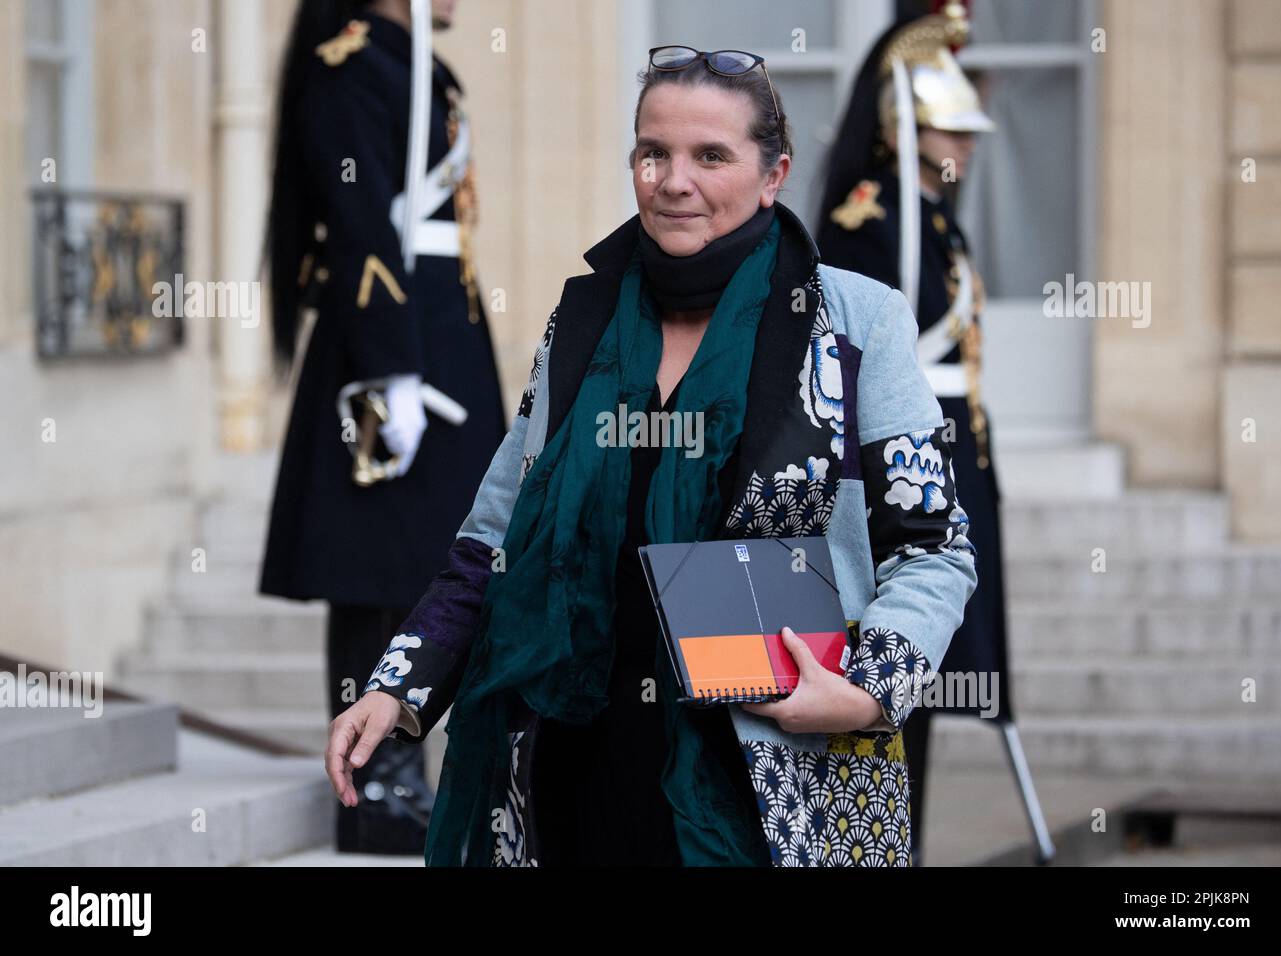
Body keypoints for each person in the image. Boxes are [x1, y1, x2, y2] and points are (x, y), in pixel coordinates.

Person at [327, 43, 976, 867]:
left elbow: (932, 548)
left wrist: (865, 691)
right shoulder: (584, 320)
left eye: (712, 155)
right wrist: (398, 685)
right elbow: (493, 536)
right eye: (652, 153)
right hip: (578, 762)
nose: (675, 181)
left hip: (782, 771)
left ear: (774, 173)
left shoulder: (858, 322)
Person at [260, 0, 506, 854]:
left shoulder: (416, 65)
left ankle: (410, 764)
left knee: (438, 555)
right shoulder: (353, 63)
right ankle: (374, 785)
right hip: (388, 341)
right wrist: (388, 365)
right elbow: (362, 224)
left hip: (441, 336)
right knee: (377, 563)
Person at [814, 2, 1015, 865]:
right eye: (946, 129)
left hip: (955, 453)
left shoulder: (934, 220)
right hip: (899, 457)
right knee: (892, 661)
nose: (964, 146)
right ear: (903, 126)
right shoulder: (868, 221)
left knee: (933, 664)